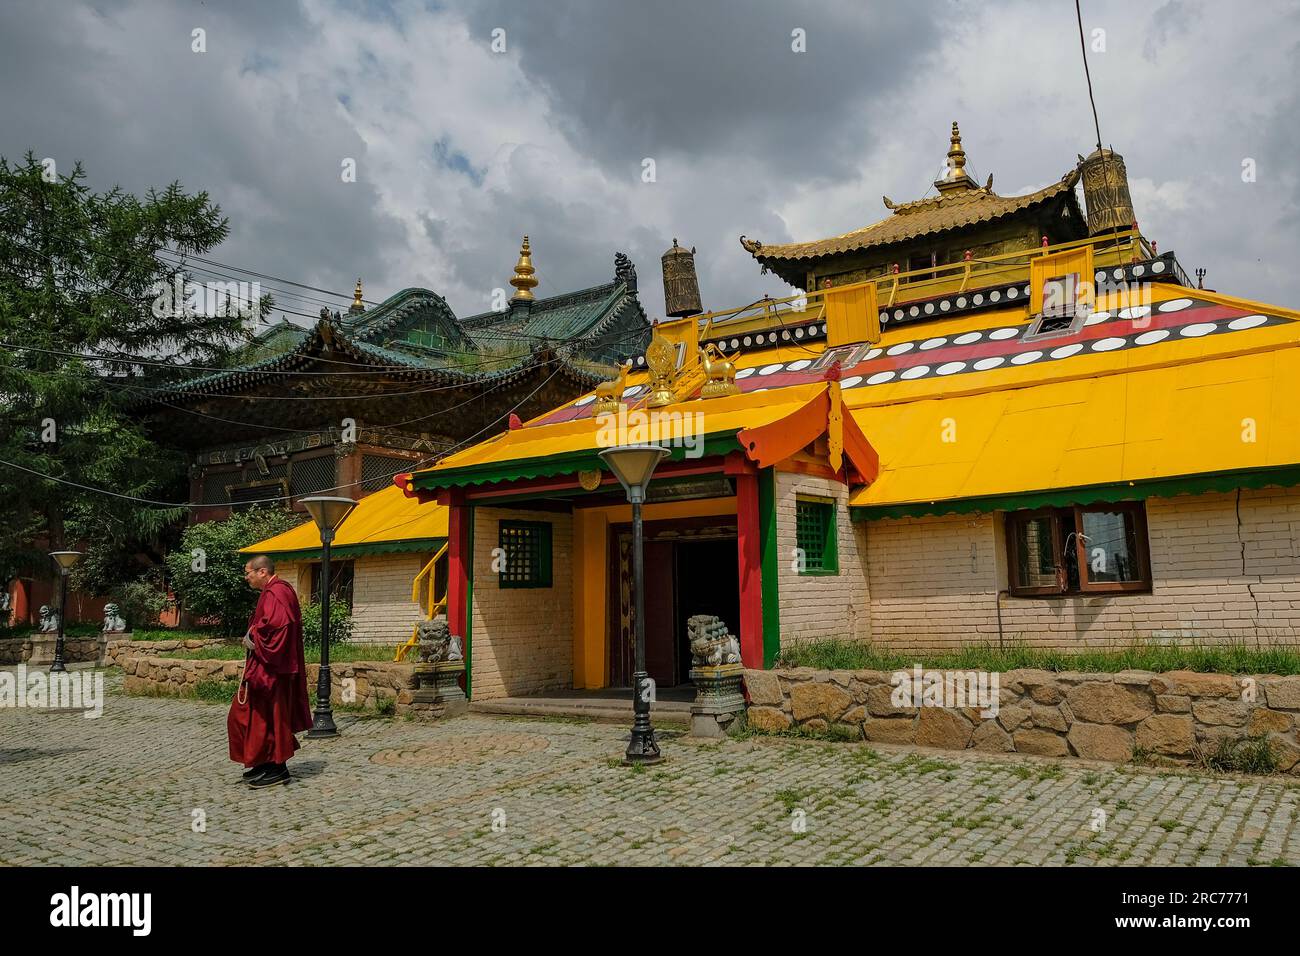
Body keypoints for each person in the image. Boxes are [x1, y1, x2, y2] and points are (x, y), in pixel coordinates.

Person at [227, 554, 312, 787]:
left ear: (262, 572)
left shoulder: (278, 592)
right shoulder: (272, 592)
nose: (246, 578)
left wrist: (253, 636)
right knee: (251, 716)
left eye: (248, 573)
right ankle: (264, 762)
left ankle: (278, 768)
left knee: (270, 717)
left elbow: (279, 628)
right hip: (265, 666)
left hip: (273, 669)